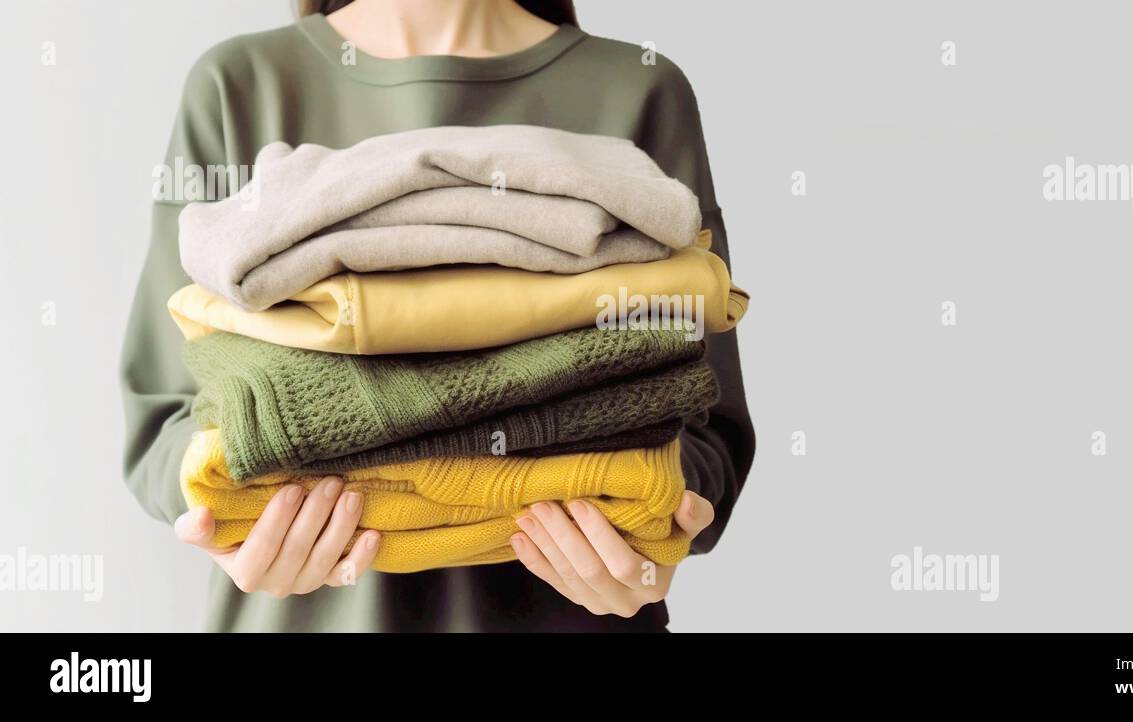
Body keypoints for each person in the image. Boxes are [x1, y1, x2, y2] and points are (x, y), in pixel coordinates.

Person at [121, 0, 754, 632]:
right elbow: (166, 417)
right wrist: (232, 515)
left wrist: (652, 530)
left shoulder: (639, 88)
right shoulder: (241, 84)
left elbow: (704, 426)